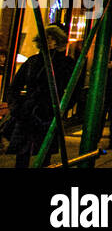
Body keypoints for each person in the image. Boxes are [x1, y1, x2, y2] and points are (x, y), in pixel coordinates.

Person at [6, 26, 76, 168]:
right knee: (23, 151)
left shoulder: (65, 63)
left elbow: (73, 89)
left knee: (44, 151)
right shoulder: (33, 61)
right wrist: (16, 106)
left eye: (53, 39)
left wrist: (62, 109)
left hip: (48, 110)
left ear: (58, 41)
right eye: (46, 38)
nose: (49, 42)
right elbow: (15, 85)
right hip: (28, 111)